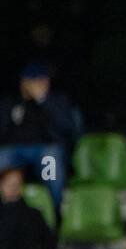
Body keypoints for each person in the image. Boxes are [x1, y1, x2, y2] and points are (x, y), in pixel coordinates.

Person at [0, 62, 81, 207]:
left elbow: (67, 128)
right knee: (2, 157)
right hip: (15, 150)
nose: (34, 85)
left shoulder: (57, 101)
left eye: (39, 80)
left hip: (44, 150)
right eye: (30, 81)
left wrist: (43, 100)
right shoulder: (12, 101)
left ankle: (54, 211)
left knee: (51, 164)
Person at [0, 165, 54, 249]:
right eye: (9, 183)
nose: (13, 187)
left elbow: (49, 241)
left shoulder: (33, 213)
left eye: (16, 183)